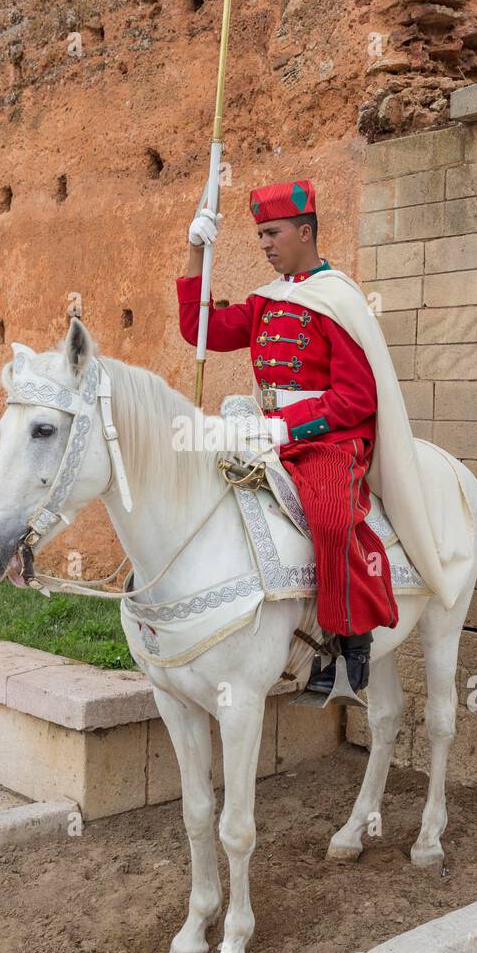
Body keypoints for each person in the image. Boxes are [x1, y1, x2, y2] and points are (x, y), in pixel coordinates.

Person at [176, 178, 399, 702]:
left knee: (328, 516)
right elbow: (199, 332)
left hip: (330, 439)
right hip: (264, 431)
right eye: (259, 235)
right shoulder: (265, 302)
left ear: (305, 230)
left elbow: (357, 398)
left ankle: (345, 636)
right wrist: (194, 253)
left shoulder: (337, 298)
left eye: (273, 232)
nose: (265, 244)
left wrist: (289, 426)